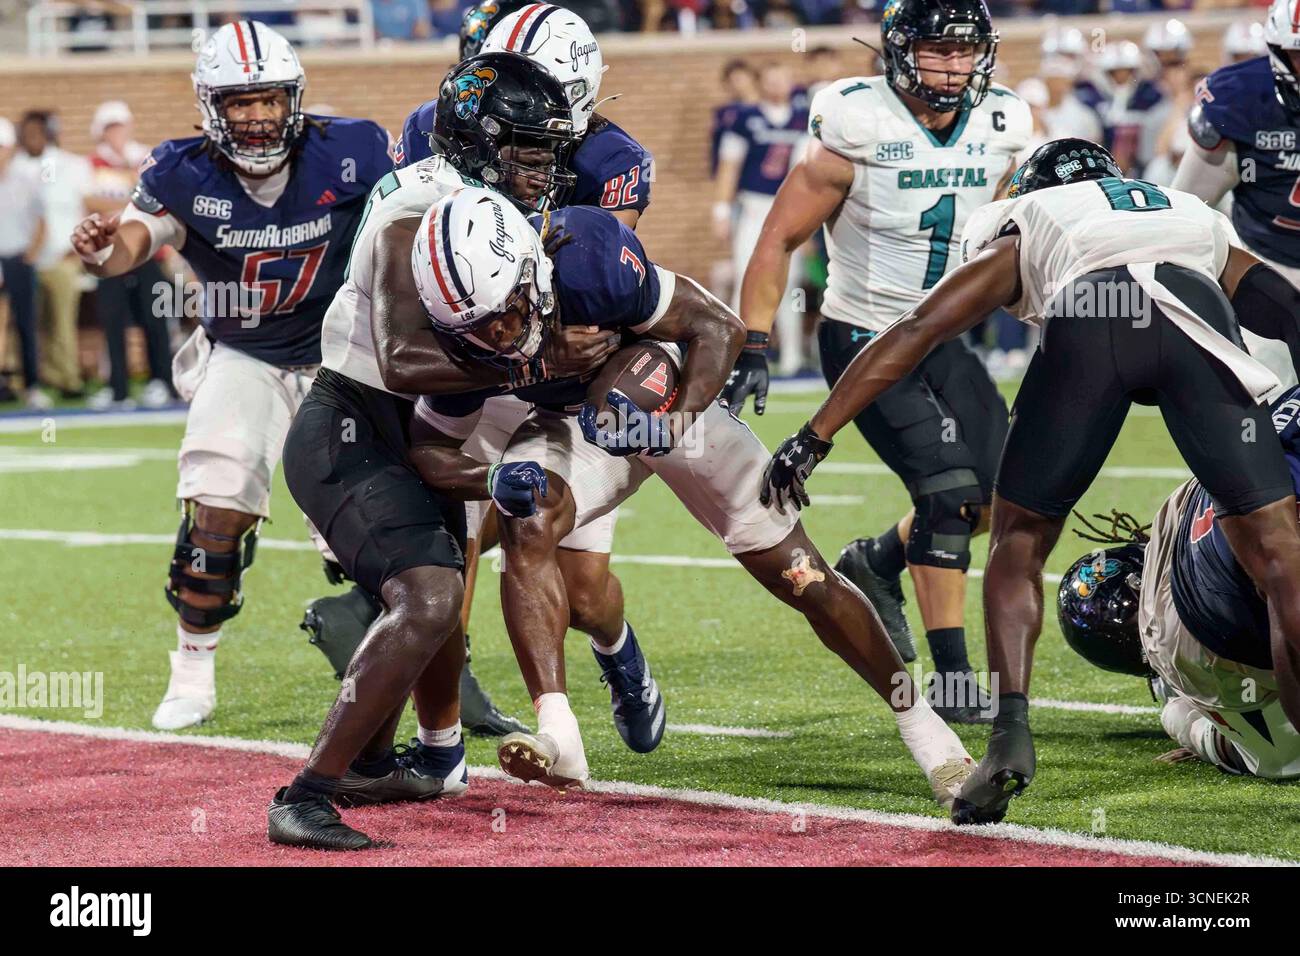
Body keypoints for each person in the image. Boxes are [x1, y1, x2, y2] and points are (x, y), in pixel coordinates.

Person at [761, 137, 1300, 825]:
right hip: (1196, 320)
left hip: (1092, 322)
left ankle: (1008, 738)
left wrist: (814, 436)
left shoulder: (1034, 215)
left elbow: (919, 327)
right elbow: (1286, 309)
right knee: (1284, 561)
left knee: (1016, 543)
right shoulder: (1186, 209)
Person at [413, 188, 976, 808]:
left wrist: (673, 424)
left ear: (529, 269)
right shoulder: (459, 334)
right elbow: (429, 450)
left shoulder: (586, 256)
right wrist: (494, 475)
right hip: (571, 428)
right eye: (476, 328)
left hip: (667, 397)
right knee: (527, 519)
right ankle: (560, 732)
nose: (495, 335)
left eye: (506, 314)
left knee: (802, 576)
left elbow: (718, 327)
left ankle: (927, 731)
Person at [270, 53, 616, 849]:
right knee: (427, 597)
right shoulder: (420, 205)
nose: (546, 166)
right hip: (356, 425)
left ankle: (372, 764)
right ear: (480, 142)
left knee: (438, 604)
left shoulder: (477, 198)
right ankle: (305, 794)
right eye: (529, 148)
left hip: (421, 429)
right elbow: (401, 360)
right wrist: (539, 359)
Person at [306, 4, 656, 739]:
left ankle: (619, 656)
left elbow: (589, 279)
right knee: (454, 538)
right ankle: (440, 735)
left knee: (586, 591)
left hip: (556, 367)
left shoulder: (613, 159)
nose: (518, 96)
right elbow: (434, 270)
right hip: (474, 356)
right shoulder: (430, 143)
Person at [69, 21, 392, 732]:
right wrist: (100, 250)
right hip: (246, 354)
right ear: (210, 106)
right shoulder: (182, 170)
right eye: (238, 102)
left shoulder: (355, 150)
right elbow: (134, 241)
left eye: (268, 99)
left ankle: (424, 671)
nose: (255, 115)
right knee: (214, 516)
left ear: (293, 99)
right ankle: (192, 667)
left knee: (387, 531)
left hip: (344, 358)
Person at [729, 0, 1030, 723]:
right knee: (950, 492)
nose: (955, 66)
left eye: (966, 51)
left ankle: (874, 562)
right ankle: (955, 681)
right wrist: (754, 339)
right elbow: (777, 238)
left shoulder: (1001, 124)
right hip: (865, 336)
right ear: (899, 50)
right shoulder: (856, 124)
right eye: (939, 50)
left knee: (1000, 498)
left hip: (947, 338)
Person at [1059, 386, 1300, 781]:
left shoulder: (1174, 646)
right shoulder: (1174, 511)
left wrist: (1186, 722)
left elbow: (1281, 759)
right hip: (1214, 515)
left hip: (1202, 629)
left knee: (1275, 754)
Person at [1173, 0, 1300, 394]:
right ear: (1279, 53)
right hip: (1268, 263)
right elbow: (1186, 208)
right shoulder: (1240, 99)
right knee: (1269, 395)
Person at [714, 60, 809, 378]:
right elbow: (729, 165)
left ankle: (793, 355)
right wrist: (721, 209)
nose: (777, 84)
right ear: (761, 83)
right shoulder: (745, 118)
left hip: (789, 208)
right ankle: (740, 357)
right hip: (753, 207)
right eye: (770, 78)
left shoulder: (804, 118)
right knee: (746, 277)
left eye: (782, 76)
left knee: (789, 282)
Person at [83, 100, 177, 411]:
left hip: (147, 251)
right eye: (111, 128)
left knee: (155, 318)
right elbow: (90, 201)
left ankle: (161, 381)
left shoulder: (146, 156)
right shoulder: (93, 163)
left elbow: (154, 201)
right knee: (112, 319)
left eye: (120, 126)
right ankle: (118, 389)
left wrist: (122, 201)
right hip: (109, 253)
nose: (117, 133)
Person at [14, 111, 92, 401]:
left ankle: (66, 379)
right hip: (23, 261)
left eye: (38, 132)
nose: (32, 139)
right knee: (22, 324)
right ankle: (25, 381)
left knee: (61, 323)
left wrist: (80, 247)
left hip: (62, 257)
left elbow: (86, 206)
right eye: (28, 133)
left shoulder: (71, 165)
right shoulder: (13, 168)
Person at [0, 117, 48, 410]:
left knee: (26, 323)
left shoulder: (25, 180)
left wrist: (31, 254)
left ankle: (32, 386)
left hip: (19, 258)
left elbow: (42, 222)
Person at [1074, 40, 1169, 177]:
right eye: (1115, 72)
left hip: (1142, 164)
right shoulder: (1090, 97)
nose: (1122, 77)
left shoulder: (1150, 96)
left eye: (1127, 71)